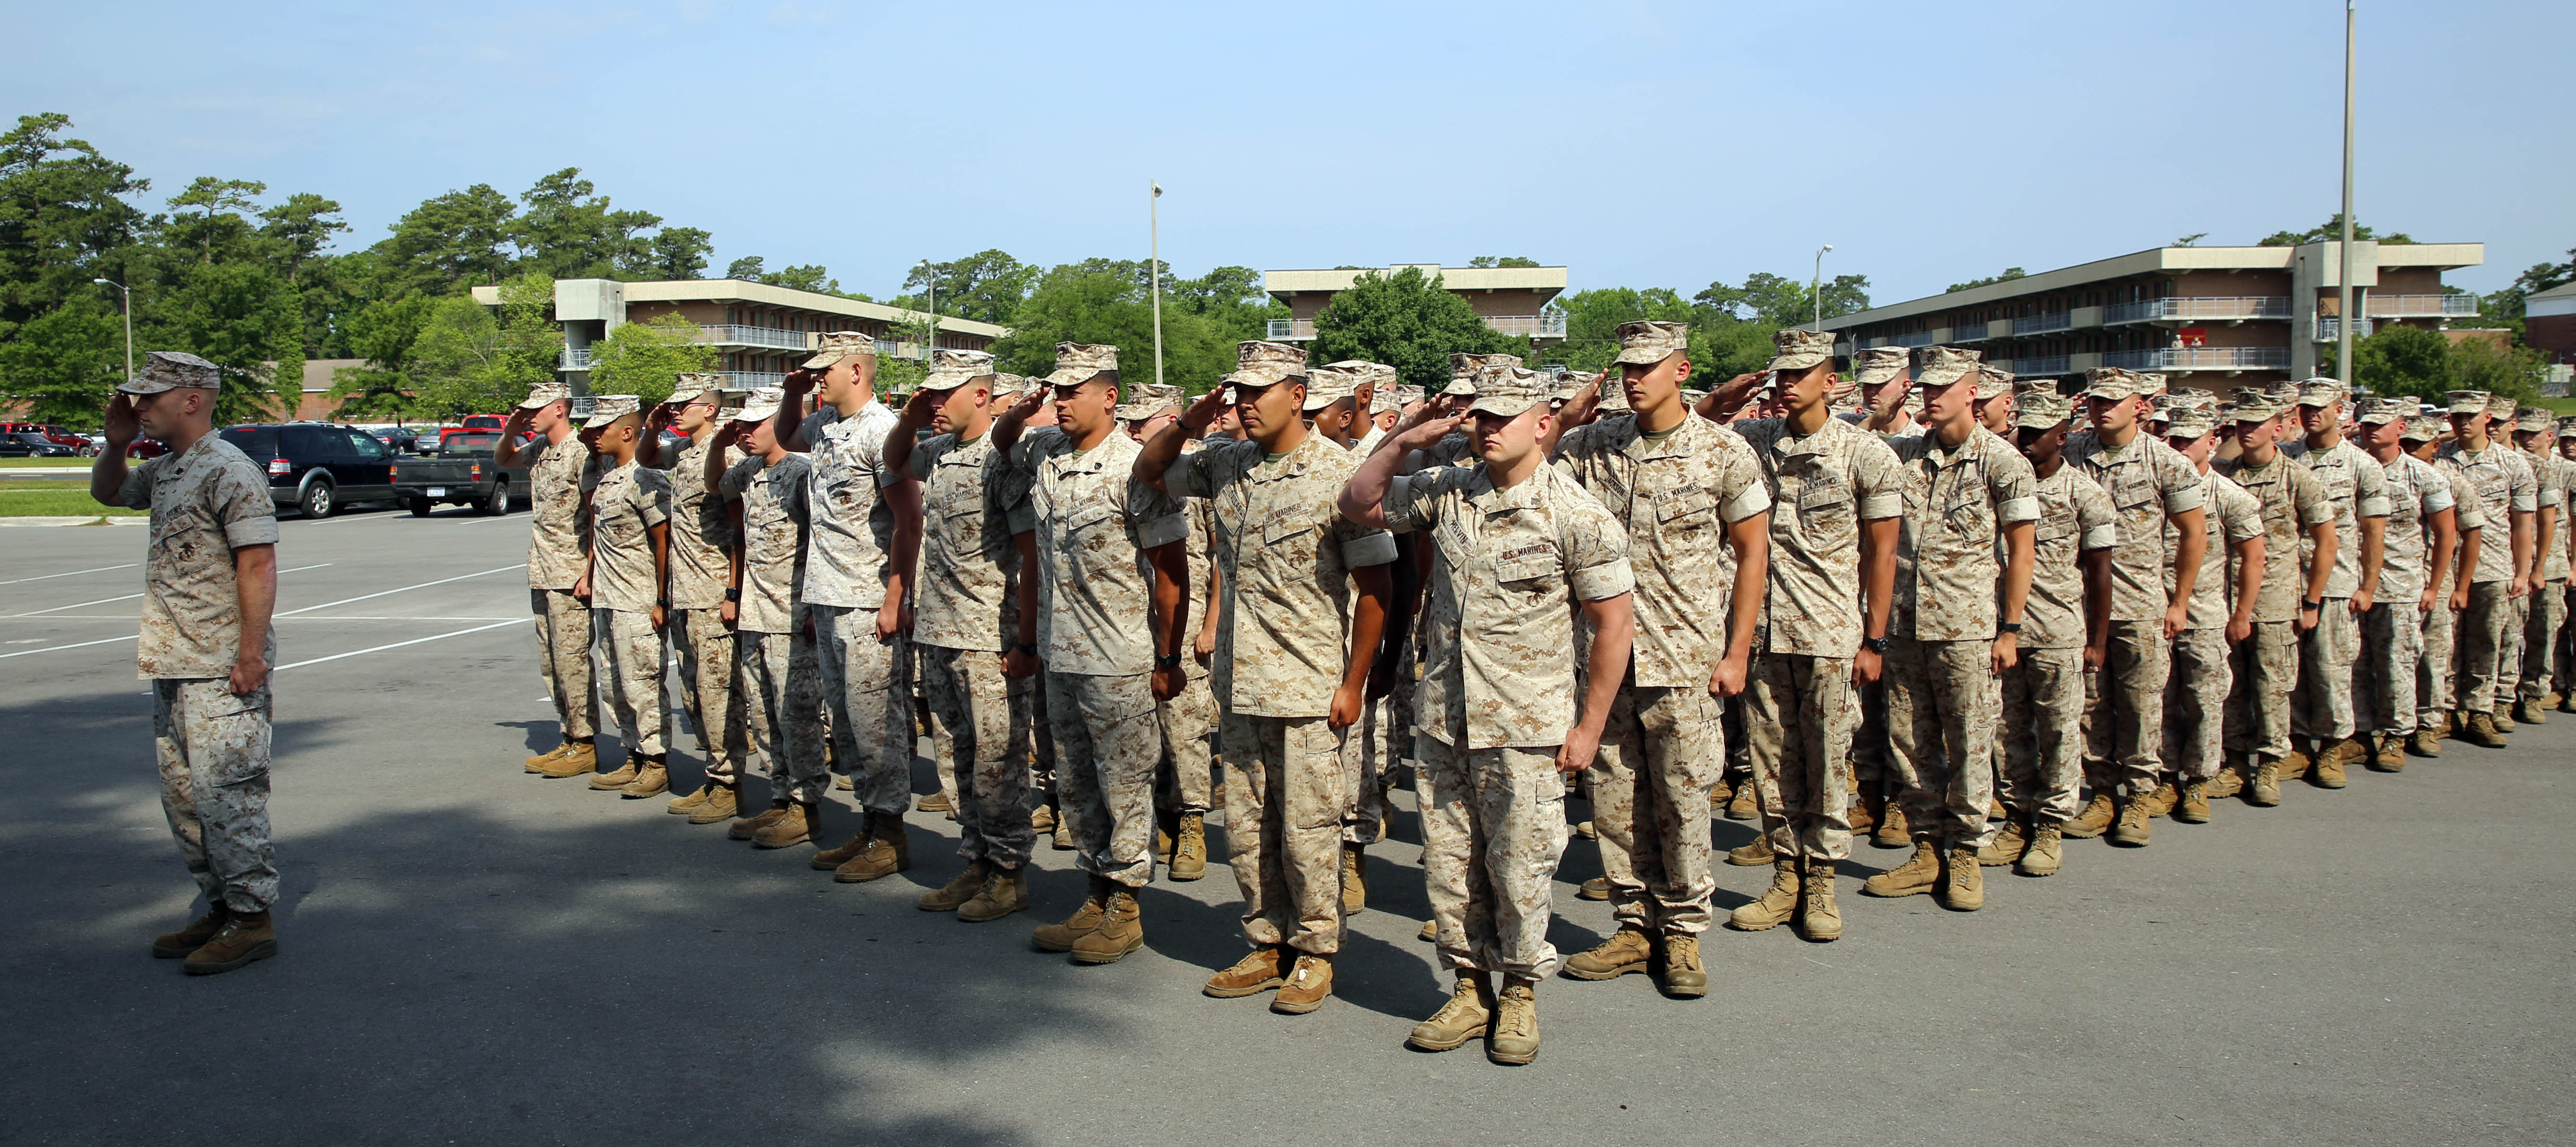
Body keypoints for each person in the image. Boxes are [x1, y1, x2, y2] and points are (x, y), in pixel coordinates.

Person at [1339, 359, 1635, 1065]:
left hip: (1527, 729)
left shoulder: (1577, 513)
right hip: (1446, 719)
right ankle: (1470, 989)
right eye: (1481, 416)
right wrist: (1403, 439)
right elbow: (1359, 503)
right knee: (1448, 866)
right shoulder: (1449, 491)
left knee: (1521, 868)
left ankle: (1522, 995)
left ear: (1543, 424)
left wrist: (1589, 728)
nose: (1488, 428)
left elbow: (1613, 626)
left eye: (1504, 417)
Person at [1141, 340, 1396, 1015]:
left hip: (1311, 685)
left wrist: (1353, 683)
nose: (1246, 404)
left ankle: (1315, 951)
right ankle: (1265, 939)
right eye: (1239, 392)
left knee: (1309, 828)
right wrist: (1190, 422)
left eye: (1259, 392)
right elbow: (1149, 470)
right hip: (1241, 682)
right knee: (1249, 825)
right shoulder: (1226, 463)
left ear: (1298, 394)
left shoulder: (1340, 476)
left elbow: (1376, 590)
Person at [1549, 320, 1769, 996]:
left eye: (1649, 366)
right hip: (1608, 665)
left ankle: (1680, 935)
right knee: (1615, 798)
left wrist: (1737, 653)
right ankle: (1632, 925)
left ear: (1682, 369)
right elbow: (1526, 464)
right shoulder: (1594, 445)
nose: (1634, 379)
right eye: (1626, 369)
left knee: (1682, 799)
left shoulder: (1724, 453)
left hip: (1686, 660)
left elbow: (1753, 553)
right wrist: (1565, 417)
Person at [1699, 329, 1904, 943]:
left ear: (1831, 382)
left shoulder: (1866, 454)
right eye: (1780, 375)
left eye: (1800, 374)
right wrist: (1726, 393)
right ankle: (1786, 874)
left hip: (1829, 633)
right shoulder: (1752, 442)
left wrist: (1875, 640)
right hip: (1760, 634)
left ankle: (1822, 884)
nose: (1787, 385)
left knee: (1826, 763)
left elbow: (1883, 554)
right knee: (1772, 761)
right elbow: (1691, 429)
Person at [994, 343, 1192, 965]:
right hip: (1063, 652)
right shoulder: (1047, 455)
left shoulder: (1137, 470)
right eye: (1054, 391)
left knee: (1125, 783)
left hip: (1121, 658)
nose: (1059, 401)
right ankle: (1094, 889)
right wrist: (1020, 407)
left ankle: (1127, 906)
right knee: (1077, 783)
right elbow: (1002, 442)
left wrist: (1167, 659)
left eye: (1070, 390)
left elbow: (1170, 571)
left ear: (1110, 396)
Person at [95, 351, 283, 975]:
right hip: (176, 659)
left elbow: (256, 564)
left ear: (193, 399)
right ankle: (221, 905)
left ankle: (252, 918)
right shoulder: (173, 467)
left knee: (227, 793)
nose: (139, 408)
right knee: (184, 800)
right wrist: (117, 444)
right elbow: (109, 491)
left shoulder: (229, 469)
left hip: (223, 663)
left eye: (149, 398)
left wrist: (250, 655)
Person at [1864, 346, 2035, 900]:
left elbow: (2021, 549)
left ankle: (1965, 854)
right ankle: (1926, 850)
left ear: (1973, 392)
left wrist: (2010, 629)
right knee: (1908, 742)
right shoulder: (1905, 456)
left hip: (1968, 629)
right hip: (1906, 628)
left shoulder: (2002, 462)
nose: (1931, 398)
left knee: (1968, 742)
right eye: (1926, 389)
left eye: (1944, 388)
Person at [882, 350, 1037, 920]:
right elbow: (896, 460)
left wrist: (1024, 644)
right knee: (957, 760)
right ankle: (975, 859)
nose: (933, 404)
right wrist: (910, 416)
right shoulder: (941, 453)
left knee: (998, 763)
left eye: (942, 394)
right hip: (941, 628)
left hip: (989, 636)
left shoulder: (1005, 461)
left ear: (978, 395)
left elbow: (1030, 560)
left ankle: (1008, 871)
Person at [773, 332, 924, 866]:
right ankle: (870, 822)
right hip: (828, 595)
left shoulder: (880, 431)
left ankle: (891, 834)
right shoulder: (824, 426)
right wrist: (793, 392)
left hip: (867, 600)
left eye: (825, 370)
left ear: (856, 371)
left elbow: (909, 520)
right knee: (846, 721)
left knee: (875, 723)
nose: (818, 378)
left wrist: (894, 600)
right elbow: (786, 434)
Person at [2062, 367, 2206, 838]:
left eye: (2114, 401)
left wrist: (2179, 600)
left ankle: (2140, 797)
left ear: (2139, 406)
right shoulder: (2072, 452)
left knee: (2143, 705)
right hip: (2081, 602)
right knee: (2092, 705)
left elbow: (2194, 535)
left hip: (2139, 602)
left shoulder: (2168, 463)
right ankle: (2102, 793)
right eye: (2096, 401)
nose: (2102, 409)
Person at [1979, 388, 2112, 874]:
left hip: (2058, 630)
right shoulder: (2002, 483)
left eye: (2040, 435)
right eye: (2023, 432)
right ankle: (2017, 818)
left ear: (2064, 436)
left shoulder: (2086, 494)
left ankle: (2052, 825)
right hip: (2003, 631)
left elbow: (2100, 573)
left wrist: (2097, 640)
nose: (2028, 442)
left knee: (2058, 732)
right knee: (2007, 731)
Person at [2215, 388, 2337, 806]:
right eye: (2241, 425)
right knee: (2230, 685)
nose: (2247, 432)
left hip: (2275, 601)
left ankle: (2269, 762)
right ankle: (2234, 761)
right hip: (2223, 595)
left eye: (2256, 425)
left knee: (2272, 685)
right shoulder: (2223, 474)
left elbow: (2326, 542)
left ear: (2280, 429)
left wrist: (2311, 602)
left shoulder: (2298, 479)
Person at [700, 387, 810, 825]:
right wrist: (717, 444)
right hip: (755, 611)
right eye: (741, 426)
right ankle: (780, 798)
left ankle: (805, 806)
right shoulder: (746, 471)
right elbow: (714, 484)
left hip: (791, 613)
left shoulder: (803, 472)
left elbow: (818, 542)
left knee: (795, 714)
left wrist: (812, 609)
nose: (746, 434)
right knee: (764, 716)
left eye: (755, 425)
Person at [2157, 400, 2264, 820]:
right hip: (2155, 609)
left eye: (2190, 440)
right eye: (2175, 439)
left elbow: (2253, 558)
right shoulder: (2158, 485)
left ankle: (2199, 781)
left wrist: (2242, 614)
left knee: (2204, 701)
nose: (2181, 447)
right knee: (2160, 702)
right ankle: (2164, 779)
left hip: (2204, 615)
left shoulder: (2230, 496)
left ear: (2213, 443)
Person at [2281, 379, 2389, 785]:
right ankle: (2297, 746)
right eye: (2305, 408)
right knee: (2290, 671)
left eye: (2320, 407)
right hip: (2289, 580)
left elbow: (2373, 530)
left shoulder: (2362, 464)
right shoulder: (2287, 457)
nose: (2311, 414)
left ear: (2340, 409)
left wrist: (2368, 585)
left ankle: (2331, 748)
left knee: (2331, 668)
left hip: (2338, 582)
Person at [571, 395, 675, 795]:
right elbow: (599, 538)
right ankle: (632, 752)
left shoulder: (645, 478)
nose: (595, 436)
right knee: (615, 685)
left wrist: (661, 599)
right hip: (609, 599)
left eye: (604, 429)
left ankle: (656, 761)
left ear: (627, 432)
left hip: (637, 598)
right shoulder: (608, 478)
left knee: (642, 685)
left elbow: (662, 540)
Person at [501, 381, 604, 779]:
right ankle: (568, 736)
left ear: (560, 409)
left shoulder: (580, 452)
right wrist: (511, 430)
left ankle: (585, 742)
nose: (529, 415)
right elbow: (504, 459)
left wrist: (590, 571)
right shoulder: (540, 449)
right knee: (551, 661)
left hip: (569, 572)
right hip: (541, 570)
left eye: (536, 409)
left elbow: (597, 517)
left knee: (573, 661)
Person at [652, 377, 742, 806]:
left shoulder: (727, 454)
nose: (675, 410)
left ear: (709, 408)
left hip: (711, 593)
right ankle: (713, 774)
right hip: (684, 593)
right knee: (693, 692)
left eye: (683, 404)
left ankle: (729, 784)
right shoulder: (683, 452)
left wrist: (732, 590)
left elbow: (739, 532)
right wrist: (652, 426)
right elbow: (647, 455)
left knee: (718, 693)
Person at [2355, 398, 2458, 770]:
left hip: (2400, 583)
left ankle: (2397, 735)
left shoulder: (2424, 475)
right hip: (2352, 581)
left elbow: (2446, 534)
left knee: (2398, 662)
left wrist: (2434, 586)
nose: (2372, 429)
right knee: (2355, 663)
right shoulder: (2351, 466)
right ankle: (2360, 732)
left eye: (2381, 424)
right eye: (2366, 423)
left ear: (2401, 428)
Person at [2434, 390, 2538, 749]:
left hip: (2493, 565)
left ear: (2487, 418)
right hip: (2447, 565)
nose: (2463, 422)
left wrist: (2522, 573)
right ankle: (2445, 712)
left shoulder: (2513, 464)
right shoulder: (2437, 460)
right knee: (2445, 643)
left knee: (2487, 642)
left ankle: (2480, 710)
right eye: (2457, 416)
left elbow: (2523, 524)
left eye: (2471, 416)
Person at [2406, 414, 2486, 757]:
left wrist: (2461, 587)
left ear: (2435, 447)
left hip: (2435, 580)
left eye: (2417, 445)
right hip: (2396, 582)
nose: (2409, 450)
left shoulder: (2451, 482)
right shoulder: (2383, 474)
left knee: (2434, 657)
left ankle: (2429, 724)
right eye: (2405, 443)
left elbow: (2469, 536)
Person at [2509, 408, 2568, 725]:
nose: (2527, 439)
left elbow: (2566, 520)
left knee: (2544, 631)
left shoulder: (2562, 470)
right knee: (2508, 632)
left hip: (2553, 561)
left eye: (2534, 433)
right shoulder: (2515, 464)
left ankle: (2534, 692)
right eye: (2523, 433)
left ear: (2550, 435)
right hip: (2512, 559)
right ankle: (2505, 692)